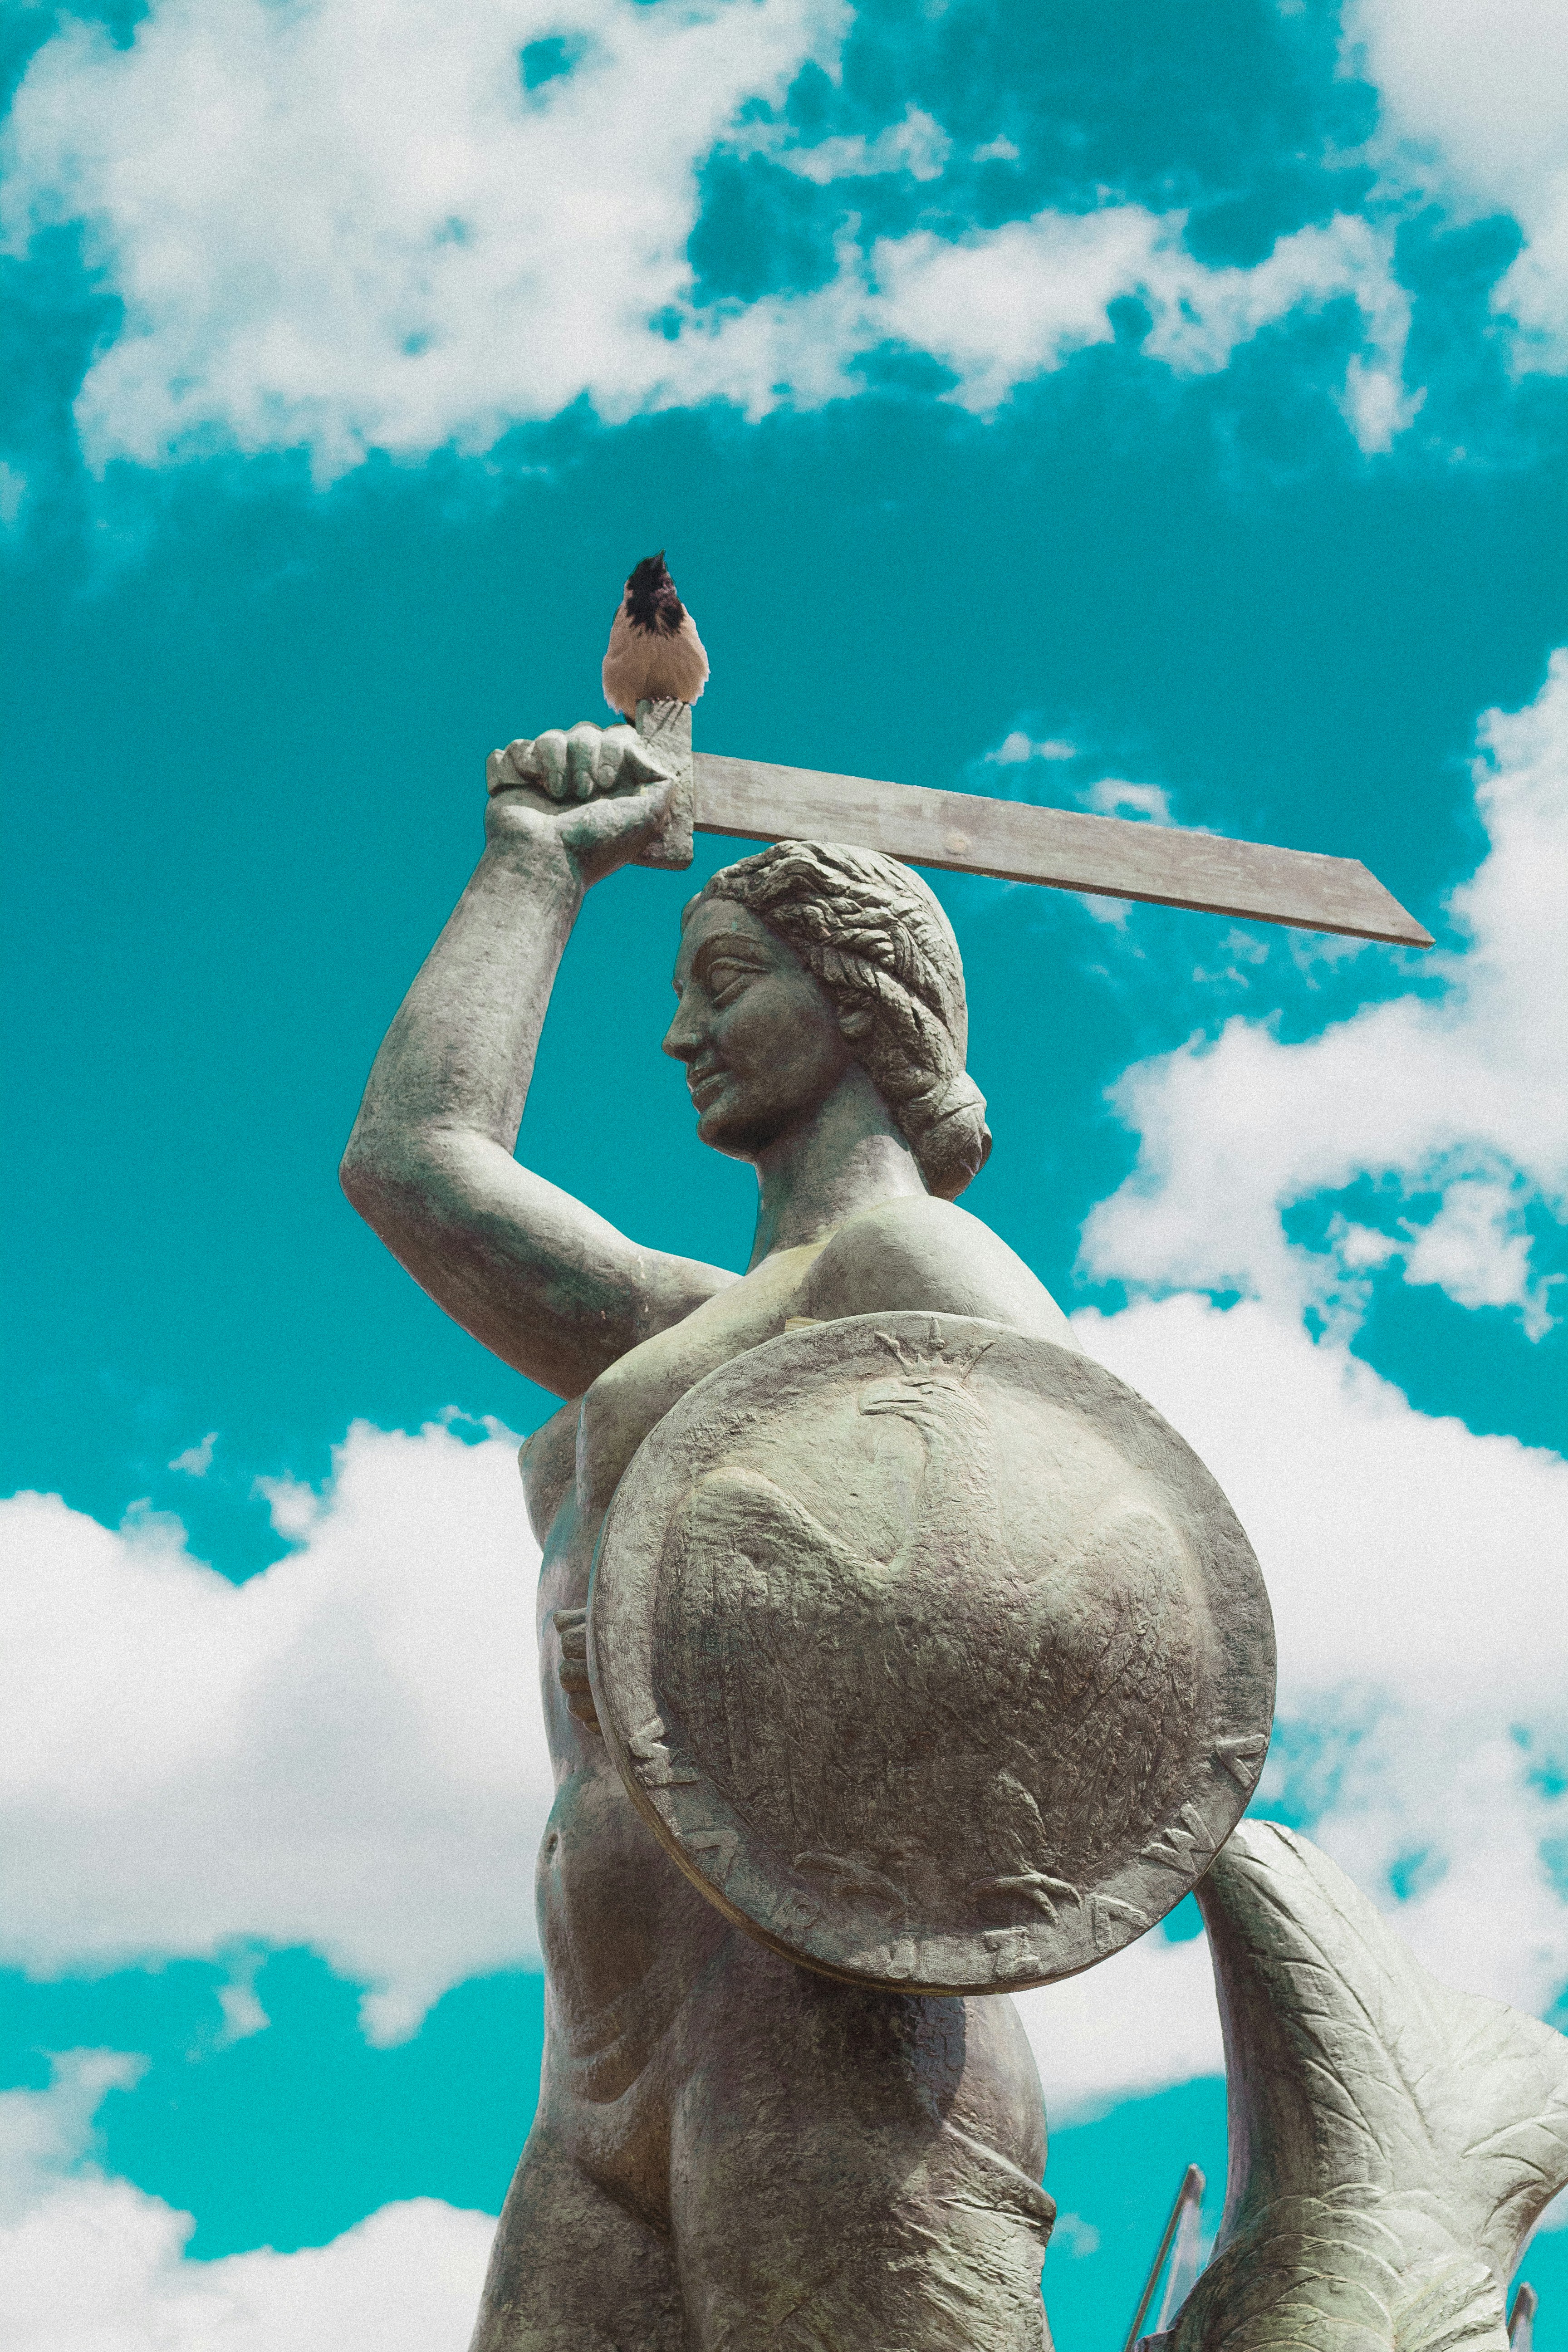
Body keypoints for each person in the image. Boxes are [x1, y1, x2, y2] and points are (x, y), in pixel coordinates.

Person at [342, 719, 1080, 2352]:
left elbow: (1077, 1602)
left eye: (726, 978)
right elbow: (412, 1164)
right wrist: (537, 868)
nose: (680, 1031)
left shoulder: (925, 1273)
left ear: (863, 1000)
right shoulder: (693, 1319)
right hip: (601, 2052)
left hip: (827, 2024)